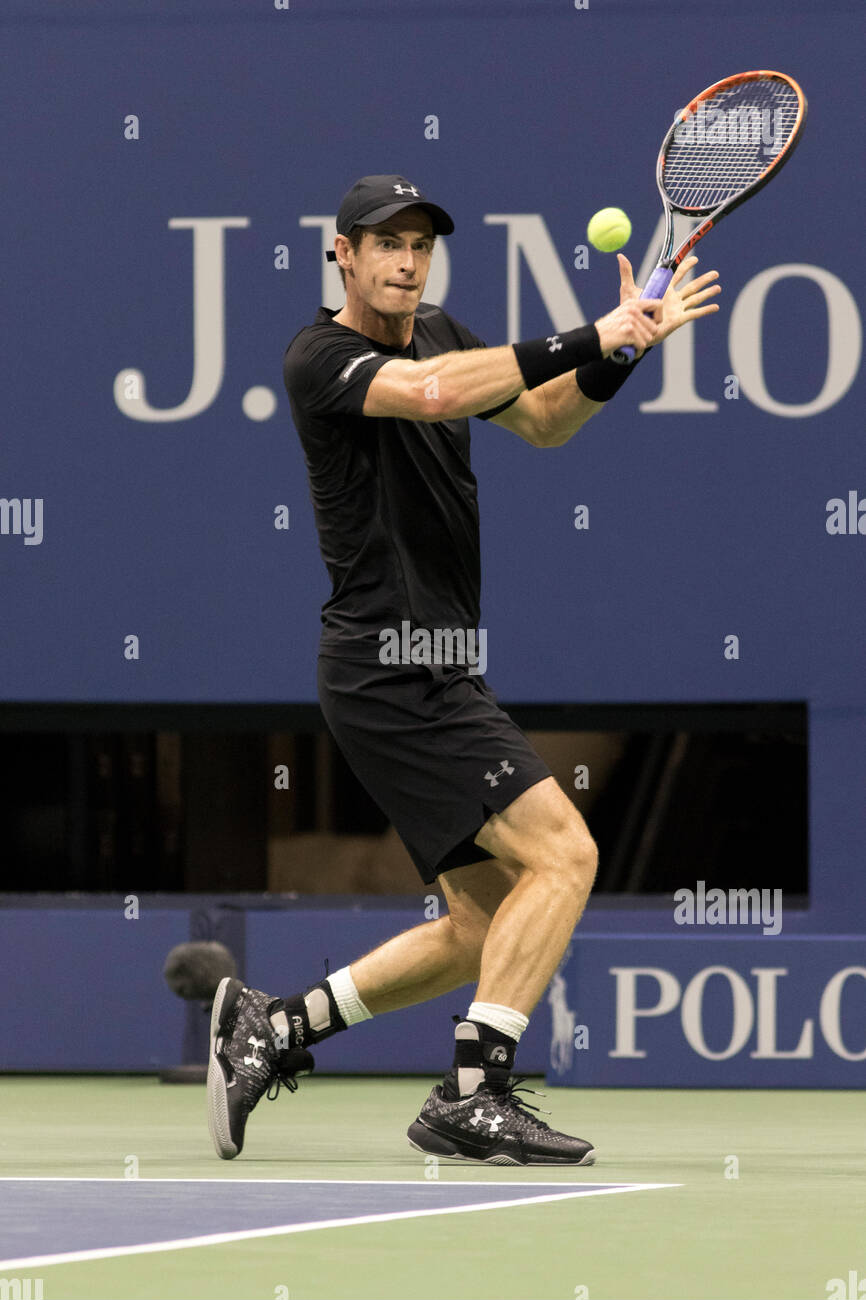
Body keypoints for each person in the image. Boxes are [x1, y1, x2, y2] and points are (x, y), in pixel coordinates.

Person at [207, 175, 720, 1165]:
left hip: (435, 661)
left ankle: (273, 1030)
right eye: (383, 243)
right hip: (390, 664)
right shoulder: (320, 356)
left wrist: (617, 355)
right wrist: (589, 327)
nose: (404, 260)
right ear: (341, 256)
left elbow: (543, 420)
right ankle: (473, 1090)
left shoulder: (442, 330)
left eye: (419, 244)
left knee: (482, 921)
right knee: (564, 855)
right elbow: (430, 397)